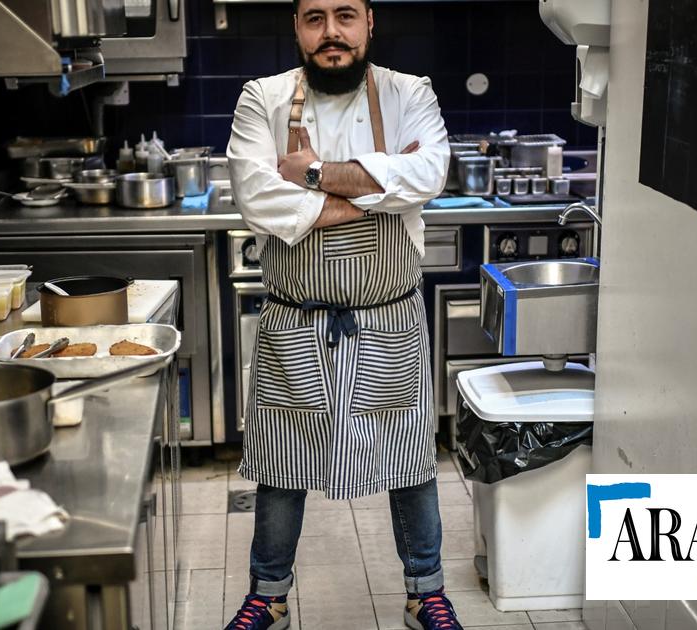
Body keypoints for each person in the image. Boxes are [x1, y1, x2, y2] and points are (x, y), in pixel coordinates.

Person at [224, 0, 461, 628]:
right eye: (315, 17)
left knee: (411, 463)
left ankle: (426, 591)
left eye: (346, 15)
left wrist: (315, 175)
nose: (332, 32)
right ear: (298, 28)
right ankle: (267, 595)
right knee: (280, 464)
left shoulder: (412, 93)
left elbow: (429, 173)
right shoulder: (263, 100)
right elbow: (257, 196)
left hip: (389, 317)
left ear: (369, 22)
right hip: (294, 317)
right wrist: (377, 192)